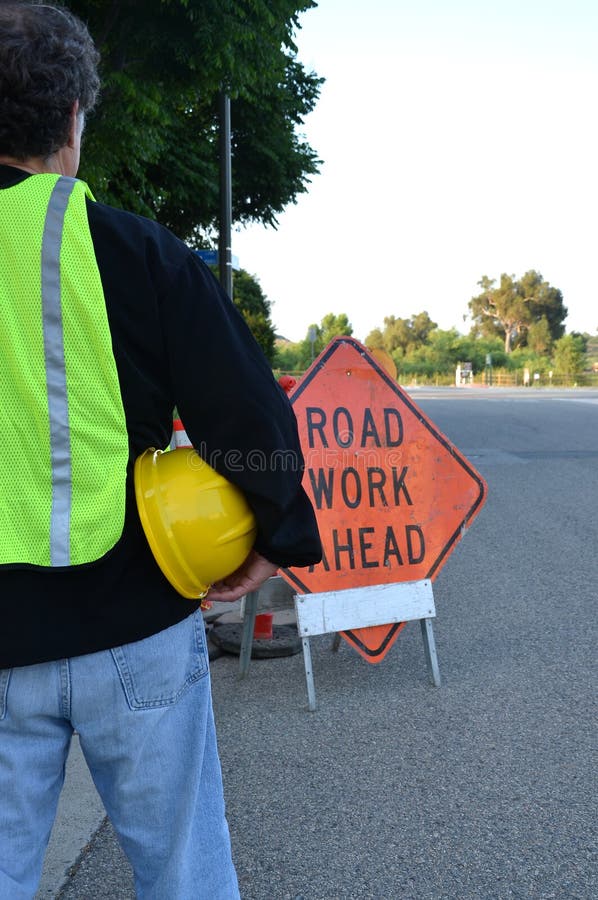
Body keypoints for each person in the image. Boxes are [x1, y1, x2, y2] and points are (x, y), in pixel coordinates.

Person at [0, 3, 321, 898]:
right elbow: (247, 413)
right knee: (185, 878)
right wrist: (276, 533)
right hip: (134, 622)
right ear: (73, 120)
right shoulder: (136, 252)